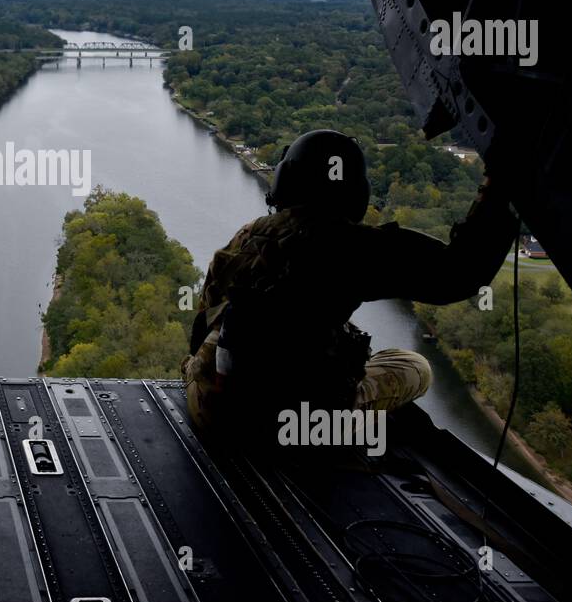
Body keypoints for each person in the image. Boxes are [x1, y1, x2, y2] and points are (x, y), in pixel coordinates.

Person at [182, 129, 517, 446]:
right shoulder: (354, 247)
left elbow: (201, 327)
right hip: (289, 430)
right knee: (415, 366)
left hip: (211, 410)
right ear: (356, 193)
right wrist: (498, 186)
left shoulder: (247, 235)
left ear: (286, 181)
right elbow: (460, 275)